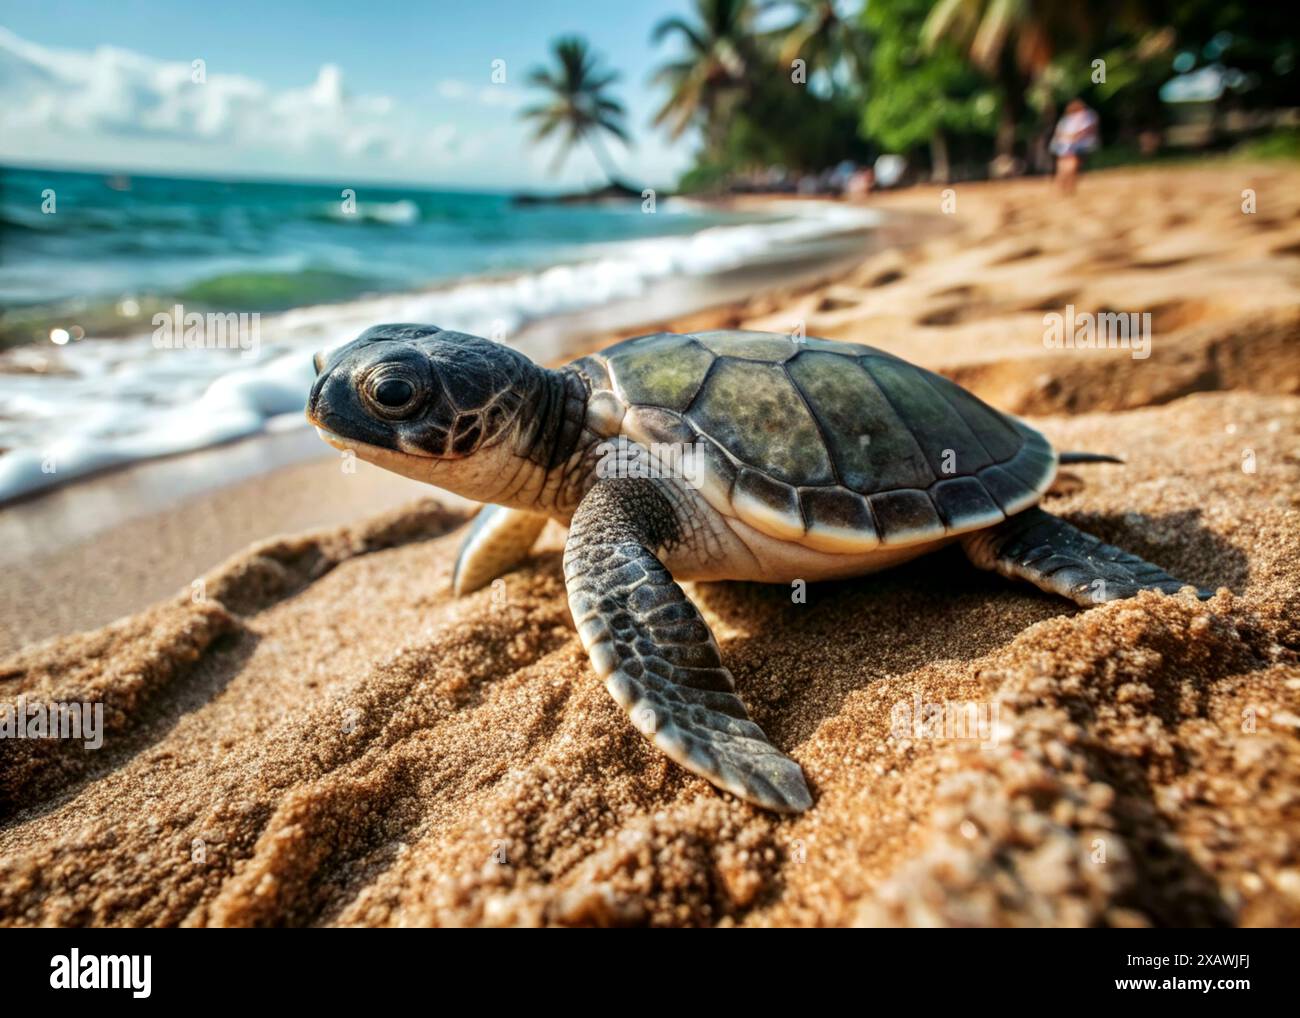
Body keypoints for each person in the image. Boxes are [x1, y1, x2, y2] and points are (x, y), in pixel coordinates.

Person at [1050, 99, 1099, 195]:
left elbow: (1087, 130)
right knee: (1068, 166)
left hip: (1072, 145)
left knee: (1067, 166)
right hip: (1066, 145)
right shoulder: (1068, 120)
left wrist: (1073, 137)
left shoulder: (1086, 117)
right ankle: (1065, 185)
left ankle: (1066, 185)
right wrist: (1070, 137)